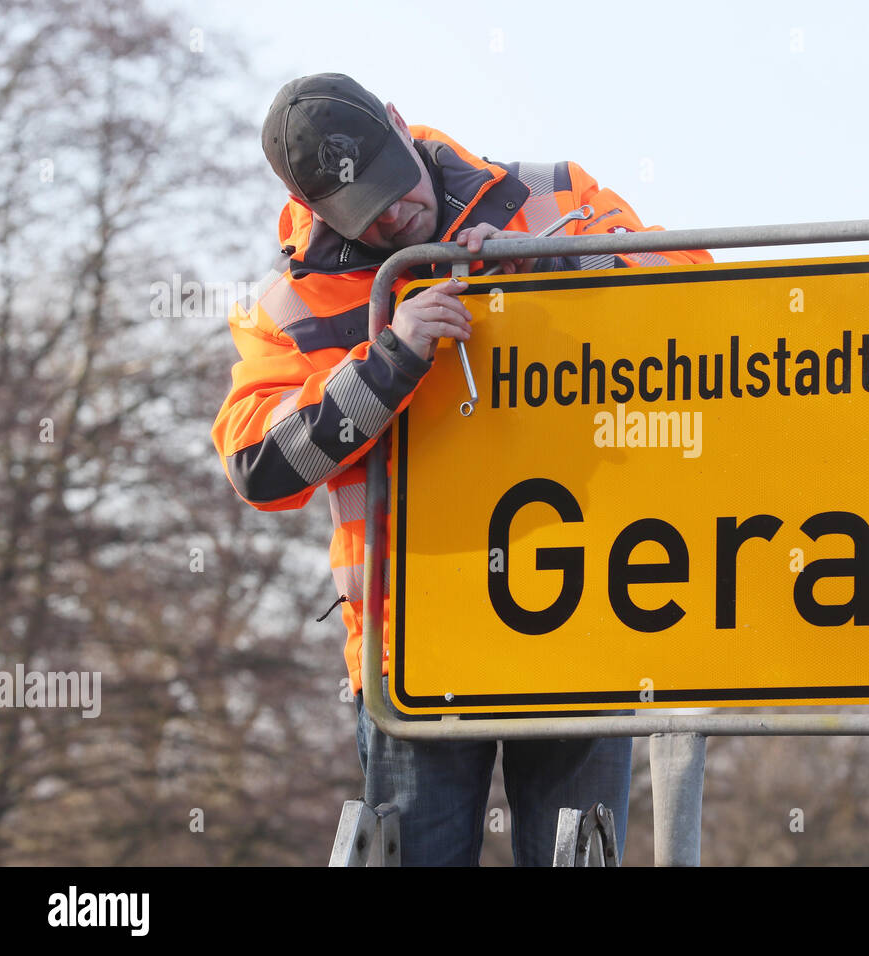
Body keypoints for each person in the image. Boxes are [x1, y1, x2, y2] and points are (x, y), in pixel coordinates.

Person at [210, 73, 712, 866]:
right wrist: (389, 362)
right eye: (363, 213)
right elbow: (258, 465)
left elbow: (700, 296)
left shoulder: (553, 200)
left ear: (403, 125)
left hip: (591, 602)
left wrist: (564, 267)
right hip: (412, 643)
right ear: (316, 210)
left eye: (394, 188)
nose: (395, 215)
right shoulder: (292, 303)